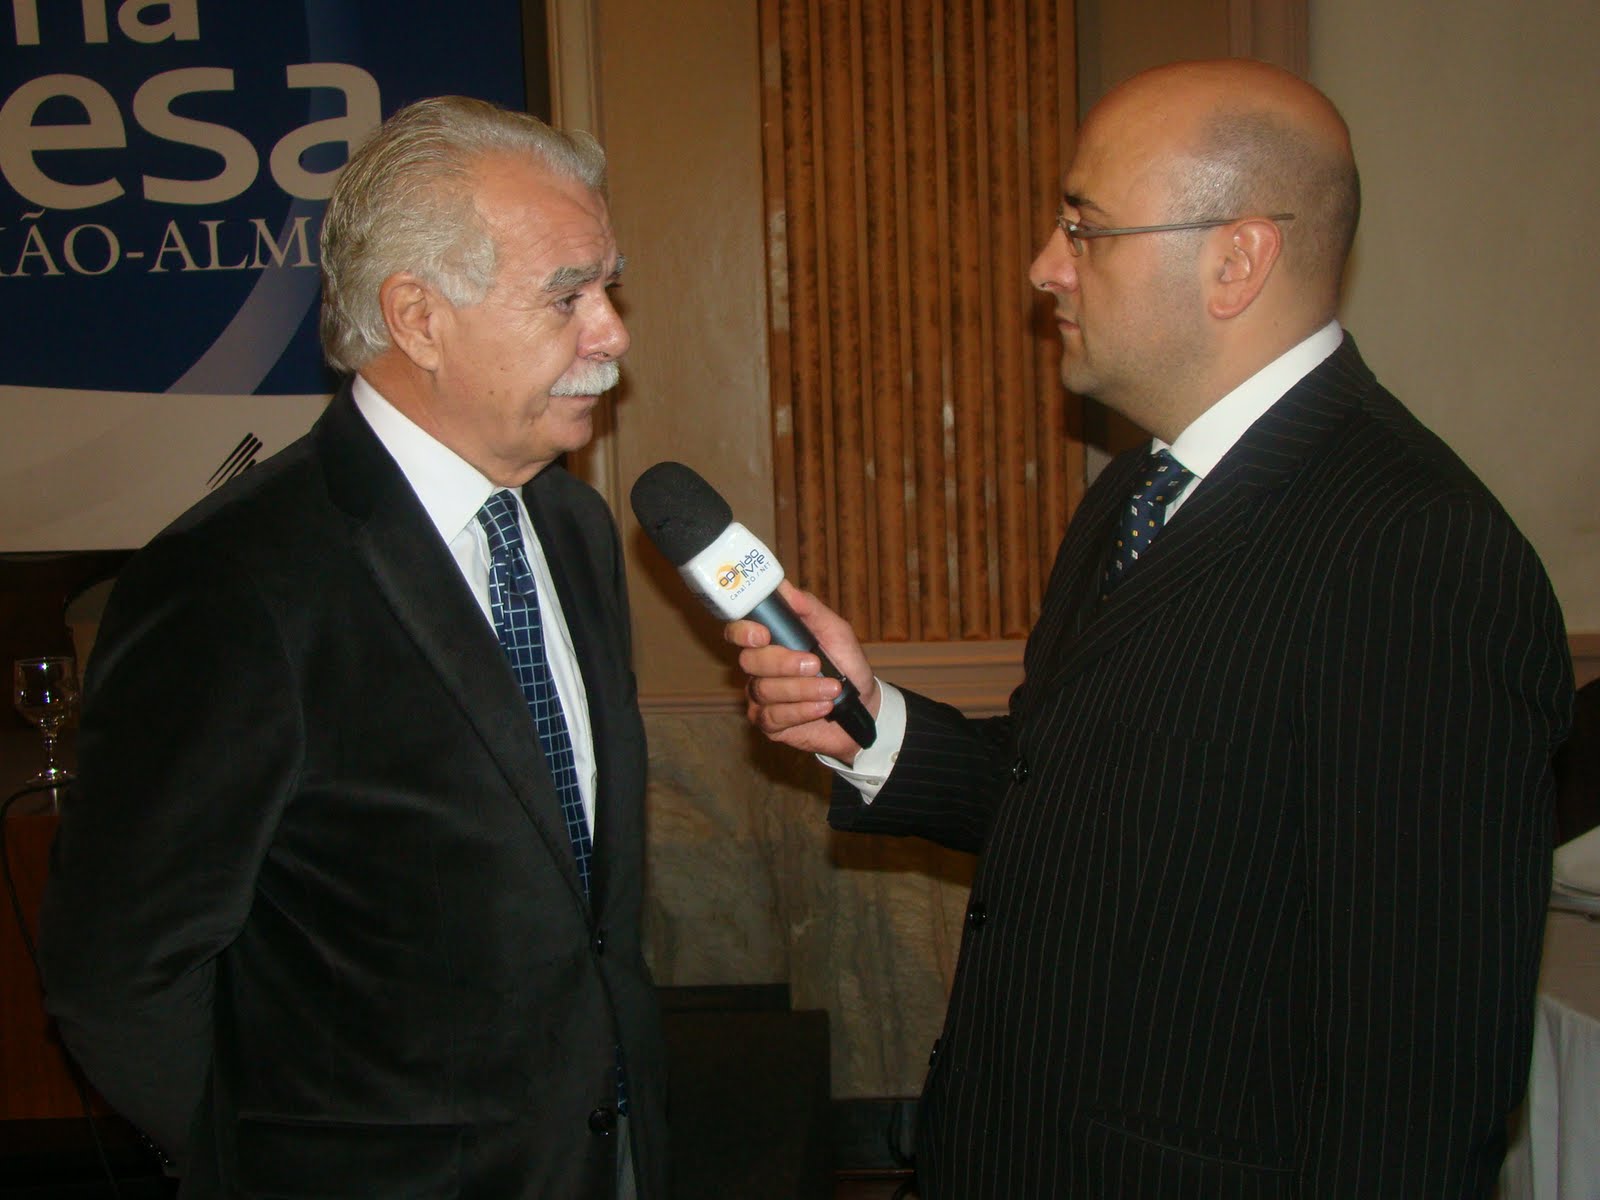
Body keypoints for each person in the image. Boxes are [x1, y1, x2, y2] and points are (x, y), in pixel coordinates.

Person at [729, 59, 1573, 1198]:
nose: (1044, 266)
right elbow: (1073, 806)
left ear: (1235, 257)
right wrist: (868, 726)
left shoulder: (1414, 552)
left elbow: (1419, 1070)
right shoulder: (1132, 495)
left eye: (1083, 228)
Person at [40, 96, 664, 1198]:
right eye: (568, 295)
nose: (610, 329)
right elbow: (119, 977)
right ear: (417, 318)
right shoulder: (231, 582)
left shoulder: (570, 529)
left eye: (608, 286)